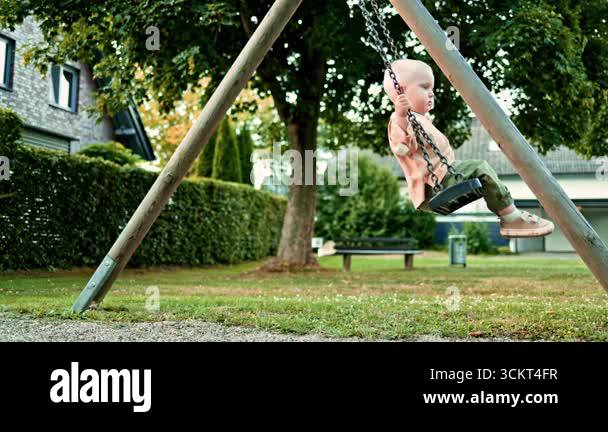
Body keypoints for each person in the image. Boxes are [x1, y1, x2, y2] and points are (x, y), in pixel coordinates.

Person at [385, 59, 554, 238]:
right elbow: (400, 146)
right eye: (424, 87)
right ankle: (511, 217)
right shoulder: (399, 119)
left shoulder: (422, 119)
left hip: (443, 178)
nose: (431, 94)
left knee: (481, 176)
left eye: (432, 89)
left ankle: (508, 214)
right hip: (433, 185)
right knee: (481, 167)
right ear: (400, 92)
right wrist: (401, 114)